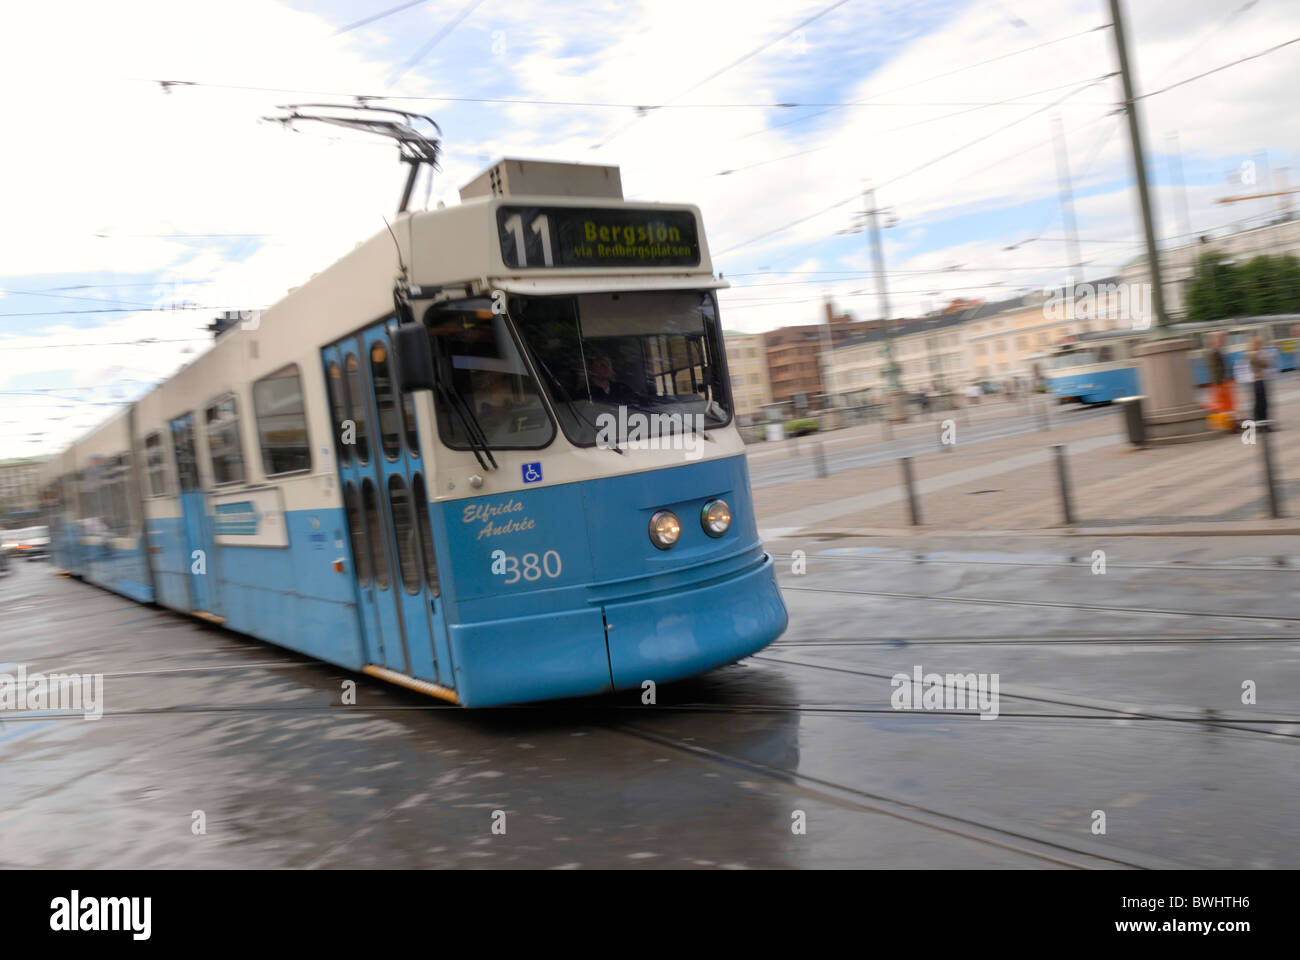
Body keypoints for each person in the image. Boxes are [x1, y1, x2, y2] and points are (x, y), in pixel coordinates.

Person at [1206, 331, 1236, 427]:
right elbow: (1215, 369)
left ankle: (1228, 423)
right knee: (1222, 404)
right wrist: (1219, 385)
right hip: (1220, 382)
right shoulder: (1214, 352)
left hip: (1222, 381)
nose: (1223, 340)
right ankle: (1224, 424)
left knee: (1226, 404)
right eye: (1221, 338)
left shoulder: (1217, 350)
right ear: (1216, 340)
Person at [1248, 336, 1276, 427]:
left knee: (1262, 403)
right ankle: (1261, 423)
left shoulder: (1255, 354)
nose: (1261, 346)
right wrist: (1263, 355)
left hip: (1260, 381)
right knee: (1261, 403)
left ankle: (1264, 423)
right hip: (1258, 381)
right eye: (1260, 344)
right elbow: (1265, 364)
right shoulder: (1253, 354)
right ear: (1257, 345)